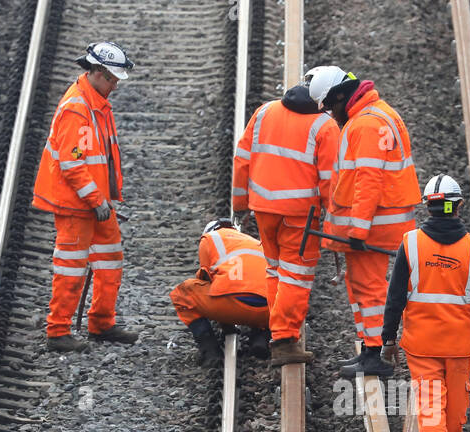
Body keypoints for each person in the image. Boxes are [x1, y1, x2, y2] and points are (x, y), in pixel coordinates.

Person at [380, 175, 470, 432]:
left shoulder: (411, 244)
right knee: (457, 408)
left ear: (428, 208)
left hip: (421, 344)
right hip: (460, 345)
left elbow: (395, 297)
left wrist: (388, 339)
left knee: (431, 405)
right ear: (458, 206)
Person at [306, 66, 421, 378]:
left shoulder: (366, 124)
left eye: (330, 106)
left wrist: (357, 229)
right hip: (382, 222)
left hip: (375, 225)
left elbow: (368, 180)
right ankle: (371, 348)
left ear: (342, 96)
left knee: (369, 287)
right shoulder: (378, 114)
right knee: (360, 284)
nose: (330, 114)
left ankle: (380, 354)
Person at [32, 41, 139, 352]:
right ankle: (58, 332)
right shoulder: (78, 108)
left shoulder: (96, 103)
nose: (116, 85)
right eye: (112, 79)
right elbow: (71, 163)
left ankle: (101, 323)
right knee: (71, 267)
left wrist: (103, 201)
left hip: (96, 204)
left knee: (110, 259)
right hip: (77, 204)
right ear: (95, 72)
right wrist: (95, 200)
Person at [231, 80, 338, 366]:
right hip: (299, 214)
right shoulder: (324, 126)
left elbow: (242, 159)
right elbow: (330, 179)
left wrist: (240, 204)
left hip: (263, 207)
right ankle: (284, 338)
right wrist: (334, 217)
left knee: (275, 270)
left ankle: (276, 327)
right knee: (296, 275)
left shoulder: (265, 112)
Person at [170, 219, 271, 367]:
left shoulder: (210, 238)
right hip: (268, 312)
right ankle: (261, 338)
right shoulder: (255, 242)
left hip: (230, 304)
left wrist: (227, 323)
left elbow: (208, 281)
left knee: (183, 293)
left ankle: (210, 352)